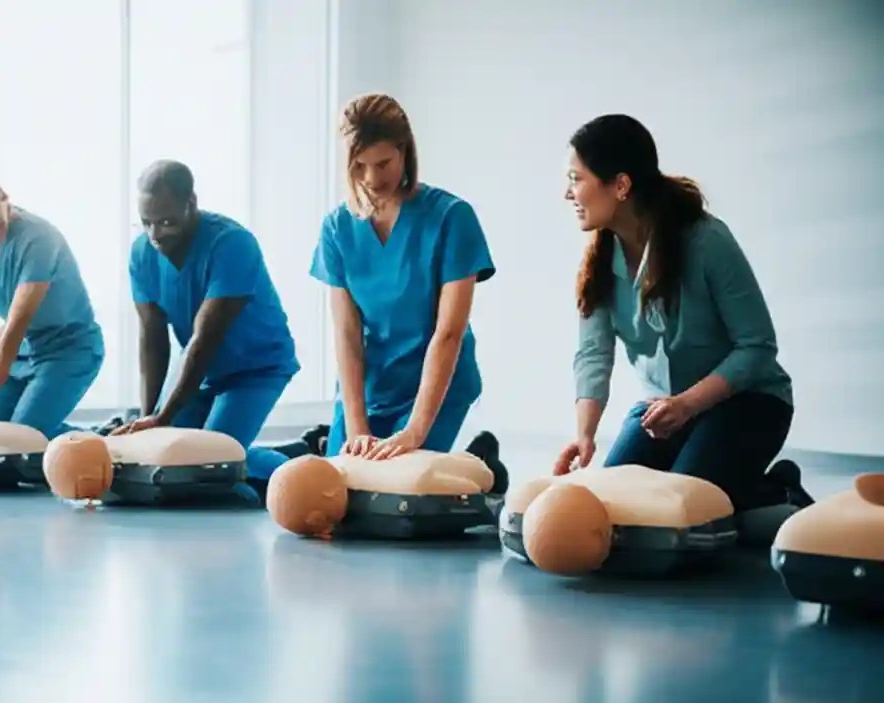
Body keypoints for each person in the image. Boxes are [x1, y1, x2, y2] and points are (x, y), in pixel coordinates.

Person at [556, 113, 814, 519]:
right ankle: (738, 485)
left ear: (620, 185)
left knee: (678, 511)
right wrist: (584, 435)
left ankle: (778, 489)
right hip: (666, 410)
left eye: (576, 178)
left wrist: (689, 405)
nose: (567, 194)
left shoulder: (707, 241)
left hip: (750, 403)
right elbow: (593, 353)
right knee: (617, 509)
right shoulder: (599, 261)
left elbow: (758, 346)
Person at [254, 93, 508, 491]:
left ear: (405, 152)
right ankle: (324, 441)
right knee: (333, 489)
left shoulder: (452, 218)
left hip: (436, 384)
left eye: (383, 163)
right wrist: (356, 427)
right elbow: (347, 335)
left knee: (397, 487)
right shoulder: (337, 227)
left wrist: (415, 430)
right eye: (359, 166)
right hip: (372, 385)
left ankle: (481, 463)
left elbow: (448, 334)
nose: (372, 178)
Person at [112, 160, 301, 497]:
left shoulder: (232, 244)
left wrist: (165, 416)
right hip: (199, 370)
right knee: (165, 462)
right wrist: (149, 419)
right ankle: (249, 458)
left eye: (167, 222)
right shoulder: (142, 253)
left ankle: (299, 465)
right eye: (146, 223)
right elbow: (153, 338)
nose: (156, 235)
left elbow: (205, 338)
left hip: (256, 368)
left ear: (192, 204)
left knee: (207, 468)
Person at [0, 163, 104, 438]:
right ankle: (90, 435)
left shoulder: (38, 238)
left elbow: (16, 324)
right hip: (21, 353)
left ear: (0, 193)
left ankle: (105, 438)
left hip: (70, 350)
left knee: (19, 442)